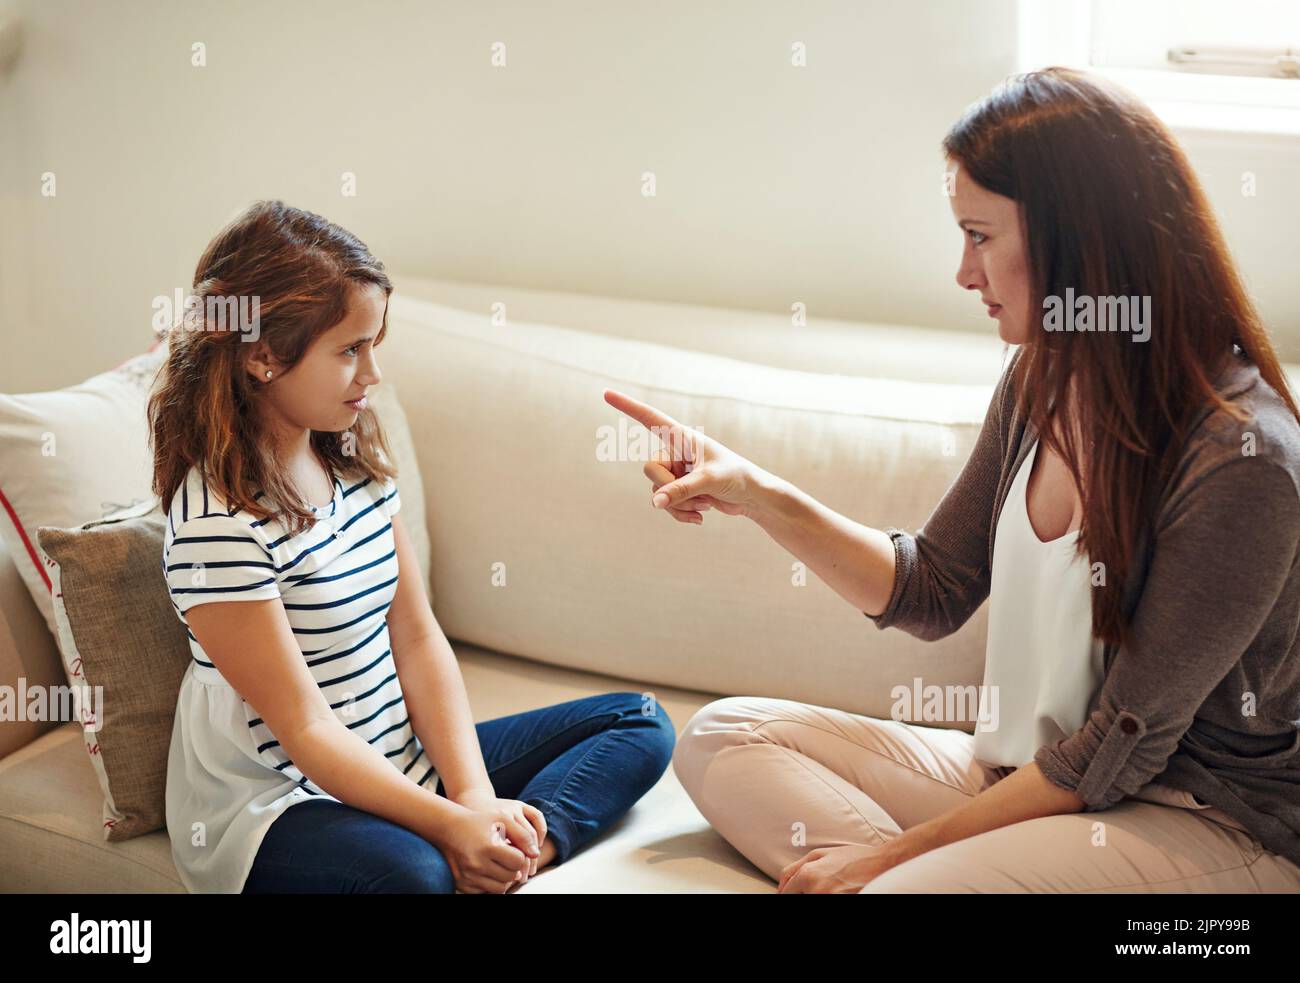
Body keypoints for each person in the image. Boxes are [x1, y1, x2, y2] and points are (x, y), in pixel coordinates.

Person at [604, 66, 1300, 893]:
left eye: (979, 236)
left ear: (1078, 239)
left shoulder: (1242, 461)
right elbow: (934, 588)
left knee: (896, 883)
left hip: (1201, 819)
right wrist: (751, 491)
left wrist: (889, 856)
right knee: (724, 737)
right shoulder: (1044, 376)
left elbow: (1119, 744)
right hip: (1032, 782)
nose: (963, 275)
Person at [148, 200, 674, 894]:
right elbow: (305, 728)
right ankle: (465, 854)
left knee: (638, 720)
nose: (371, 375)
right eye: (348, 350)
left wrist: (476, 803)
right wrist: (446, 825)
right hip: (283, 802)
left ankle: (515, 855)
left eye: (373, 346)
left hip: (394, 755)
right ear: (262, 356)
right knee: (414, 876)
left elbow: (419, 639)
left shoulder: (351, 460)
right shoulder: (217, 519)